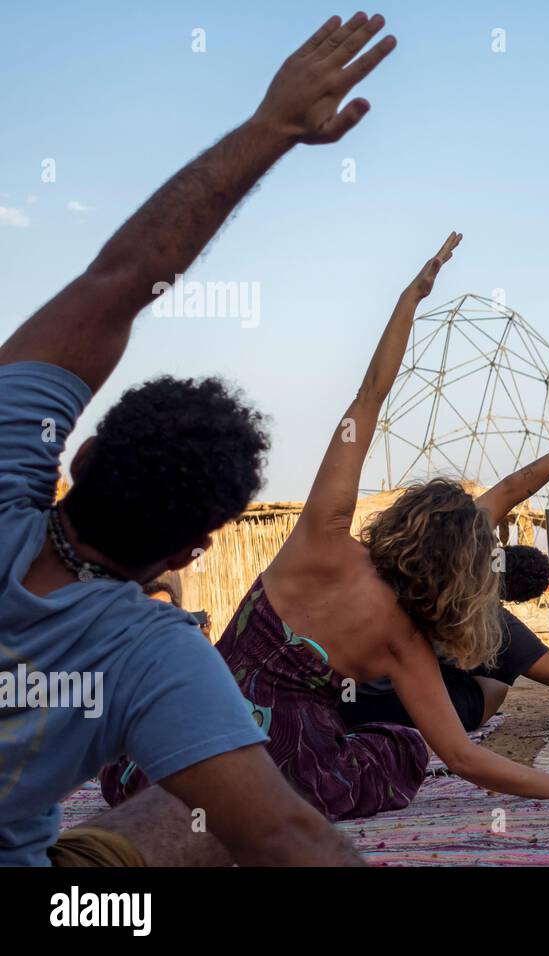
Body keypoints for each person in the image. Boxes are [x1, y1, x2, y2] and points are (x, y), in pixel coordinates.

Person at [0, 13, 398, 867]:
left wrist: (271, 129)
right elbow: (292, 840)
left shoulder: (7, 467)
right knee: (213, 808)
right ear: (196, 545)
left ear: (81, 456)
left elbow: (115, 283)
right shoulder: (149, 650)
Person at [102, 235, 549, 819]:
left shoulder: (322, 539)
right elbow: (463, 758)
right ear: (465, 576)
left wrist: (410, 298)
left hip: (183, 743)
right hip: (279, 780)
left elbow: (369, 396)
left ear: (406, 521)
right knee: (402, 746)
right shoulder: (403, 641)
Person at [340, 544, 549, 731]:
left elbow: (509, 488)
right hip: (407, 710)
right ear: (516, 598)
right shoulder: (490, 618)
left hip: (344, 701)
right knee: (495, 679)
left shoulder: (410, 566)